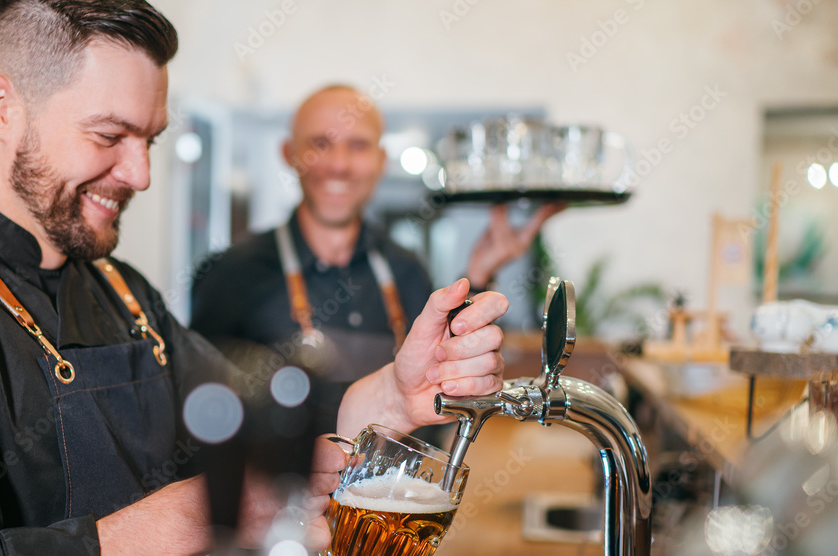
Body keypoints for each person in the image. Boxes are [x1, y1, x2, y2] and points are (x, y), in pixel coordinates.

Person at [0, 2, 507, 556]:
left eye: (149, 139)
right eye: (109, 135)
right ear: (0, 106)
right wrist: (205, 507)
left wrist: (394, 392)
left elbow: (261, 428)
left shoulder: (123, 292)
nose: (140, 173)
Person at [190, 85, 564, 422]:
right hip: (282, 498)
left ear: (381, 159)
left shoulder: (407, 271)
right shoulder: (232, 274)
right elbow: (204, 410)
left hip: (392, 493)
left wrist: (479, 274)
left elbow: (441, 378)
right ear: (290, 153)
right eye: (320, 143)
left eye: (357, 146)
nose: (339, 164)